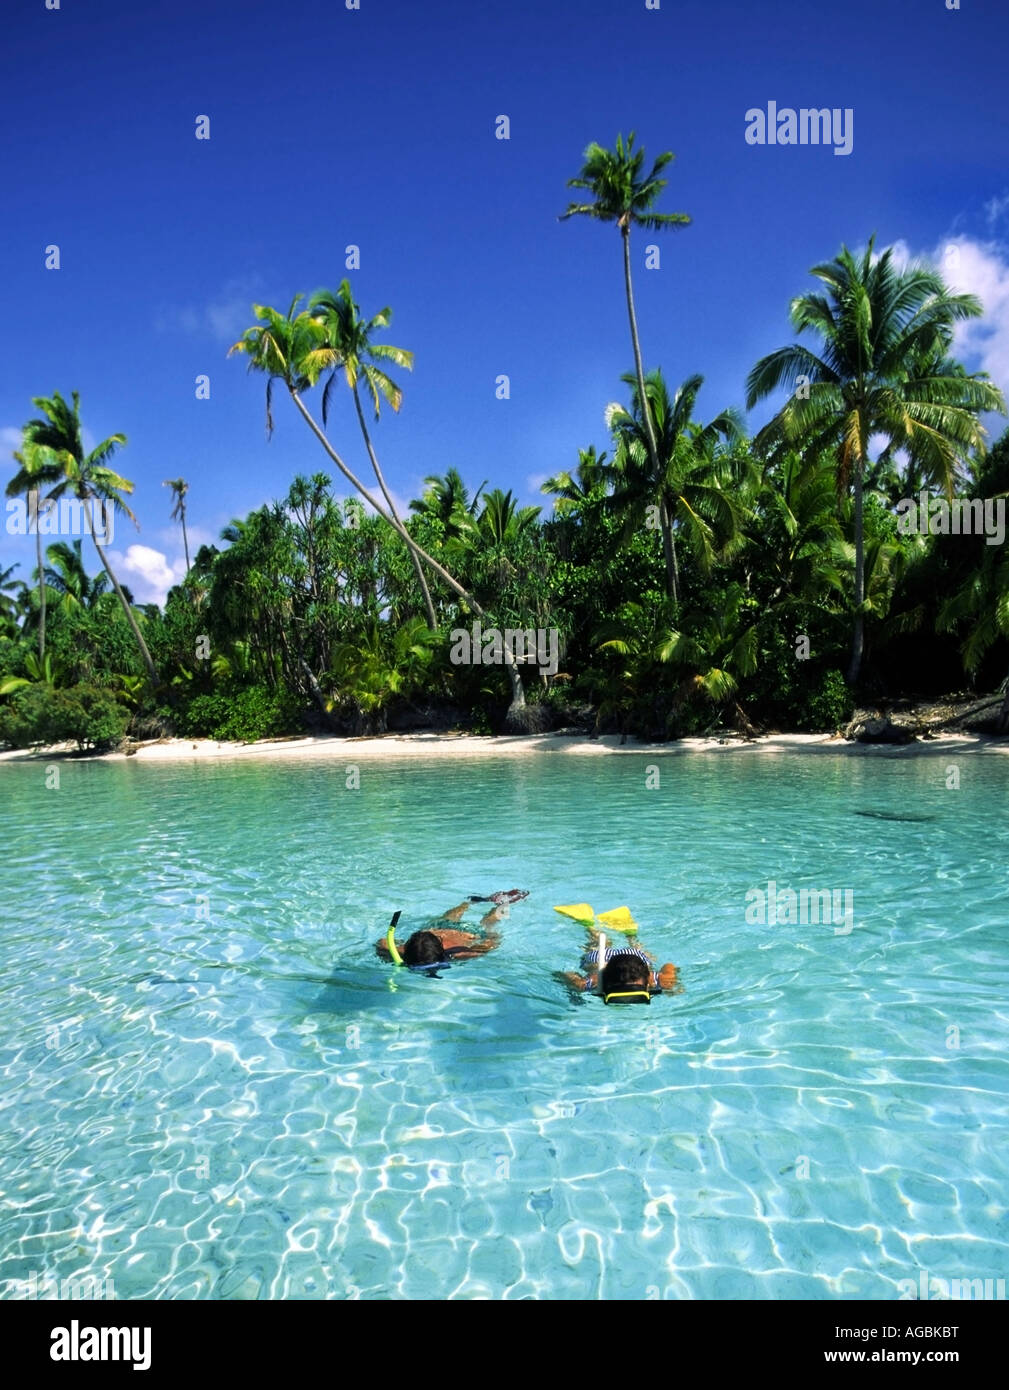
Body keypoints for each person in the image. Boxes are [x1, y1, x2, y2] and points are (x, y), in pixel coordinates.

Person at [376, 892, 528, 970]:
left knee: (489, 923)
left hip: (465, 932)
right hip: (440, 927)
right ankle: (470, 902)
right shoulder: (401, 950)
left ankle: (503, 902)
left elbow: (491, 944)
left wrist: (489, 934)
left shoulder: (461, 954)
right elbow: (382, 943)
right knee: (451, 917)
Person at [558, 928, 678, 1003]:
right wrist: (575, 983)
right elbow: (669, 966)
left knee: (641, 952)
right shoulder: (595, 981)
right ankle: (591, 927)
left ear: (647, 981)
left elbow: (669, 966)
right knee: (597, 943)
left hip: (632, 957)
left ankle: (631, 935)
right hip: (602, 959)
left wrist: (576, 982)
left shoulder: (658, 979)